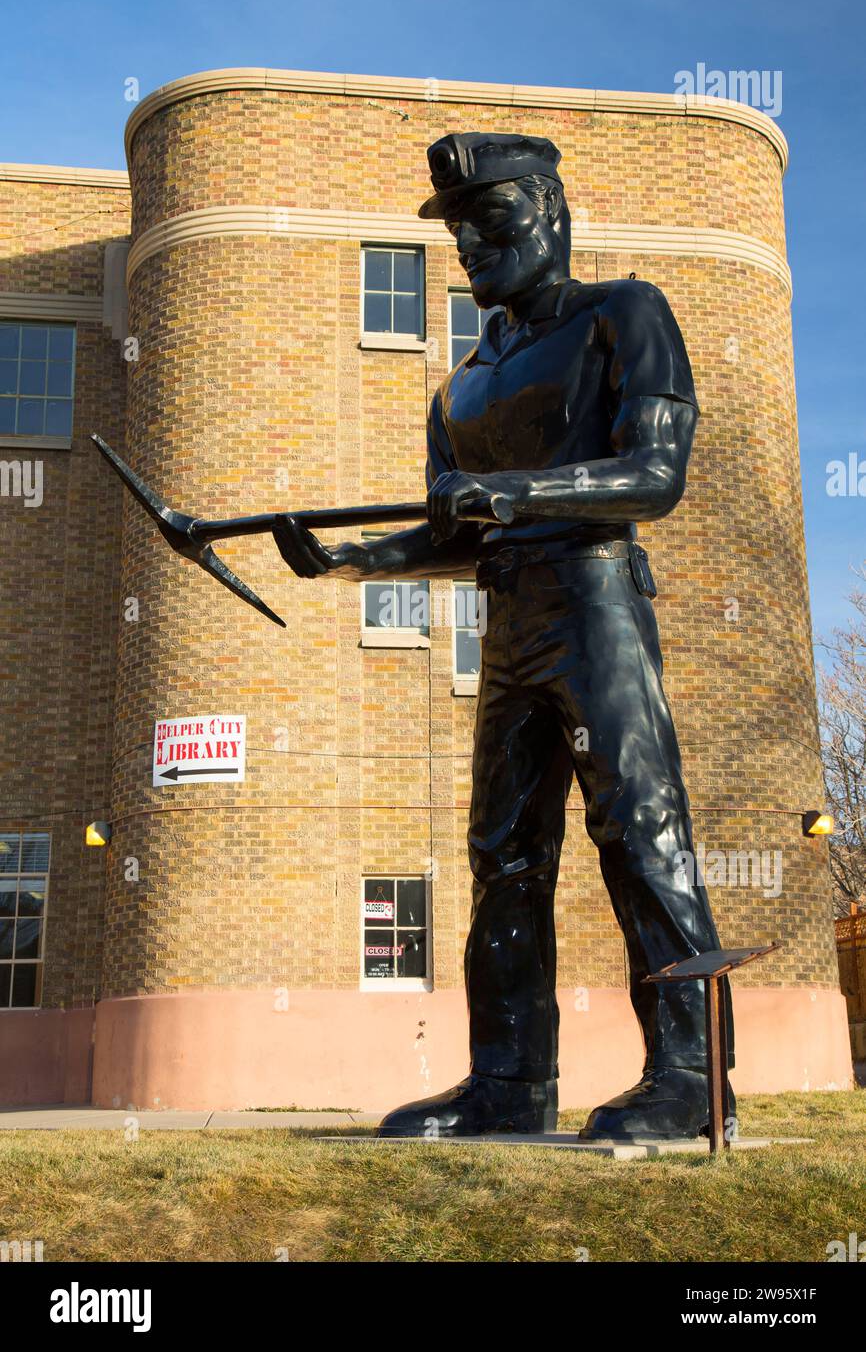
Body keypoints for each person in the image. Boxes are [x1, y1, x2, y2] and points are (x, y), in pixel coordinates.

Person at [273, 132, 733, 1140]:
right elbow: (451, 532)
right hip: (508, 624)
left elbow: (654, 475)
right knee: (502, 857)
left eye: (491, 220)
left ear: (550, 216)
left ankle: (691, 1074)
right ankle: (508, 1082)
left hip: (596, 602)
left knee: (639, 830)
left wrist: (515, 492)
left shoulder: (624, 313)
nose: (473, 245)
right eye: (457, 230)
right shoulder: (459, 389)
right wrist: (348, 559)